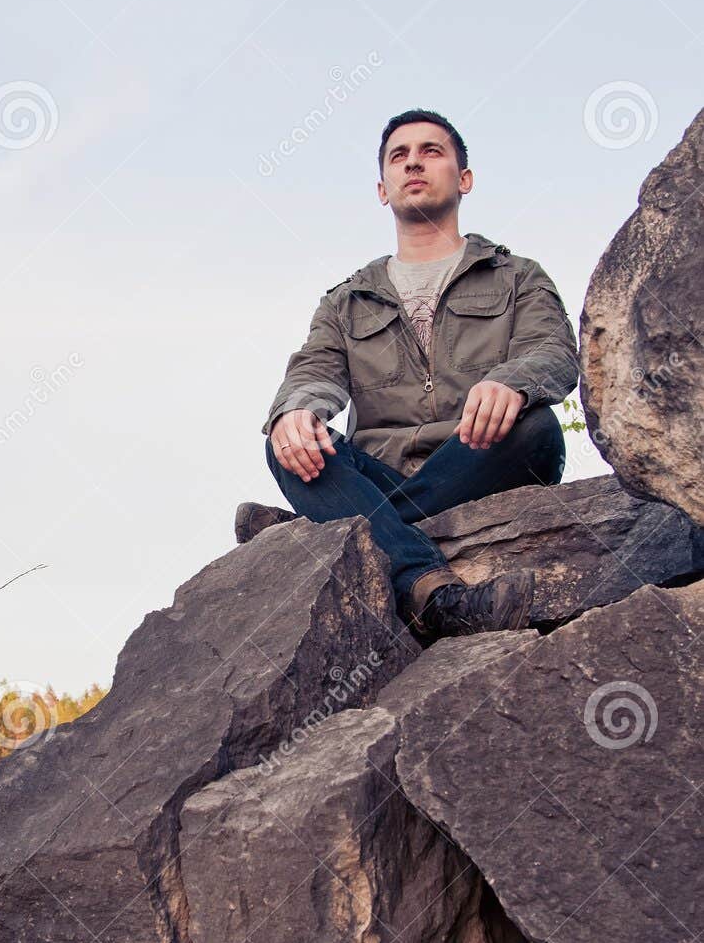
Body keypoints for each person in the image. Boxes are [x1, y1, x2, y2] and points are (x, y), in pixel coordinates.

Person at [244, 109, 580, 639]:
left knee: (537, 430)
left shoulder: (518, 276)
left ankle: (337, 527)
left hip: (477, 458)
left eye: (431, 151)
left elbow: (554, 351)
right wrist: (298, 411)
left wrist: (512, 382)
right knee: (289, 444)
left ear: (464, 179)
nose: (413, 163)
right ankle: (430, 590)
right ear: (383, 189)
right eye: (399, 156)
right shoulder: (346, 301)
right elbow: (315, 369)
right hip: (379, 465)